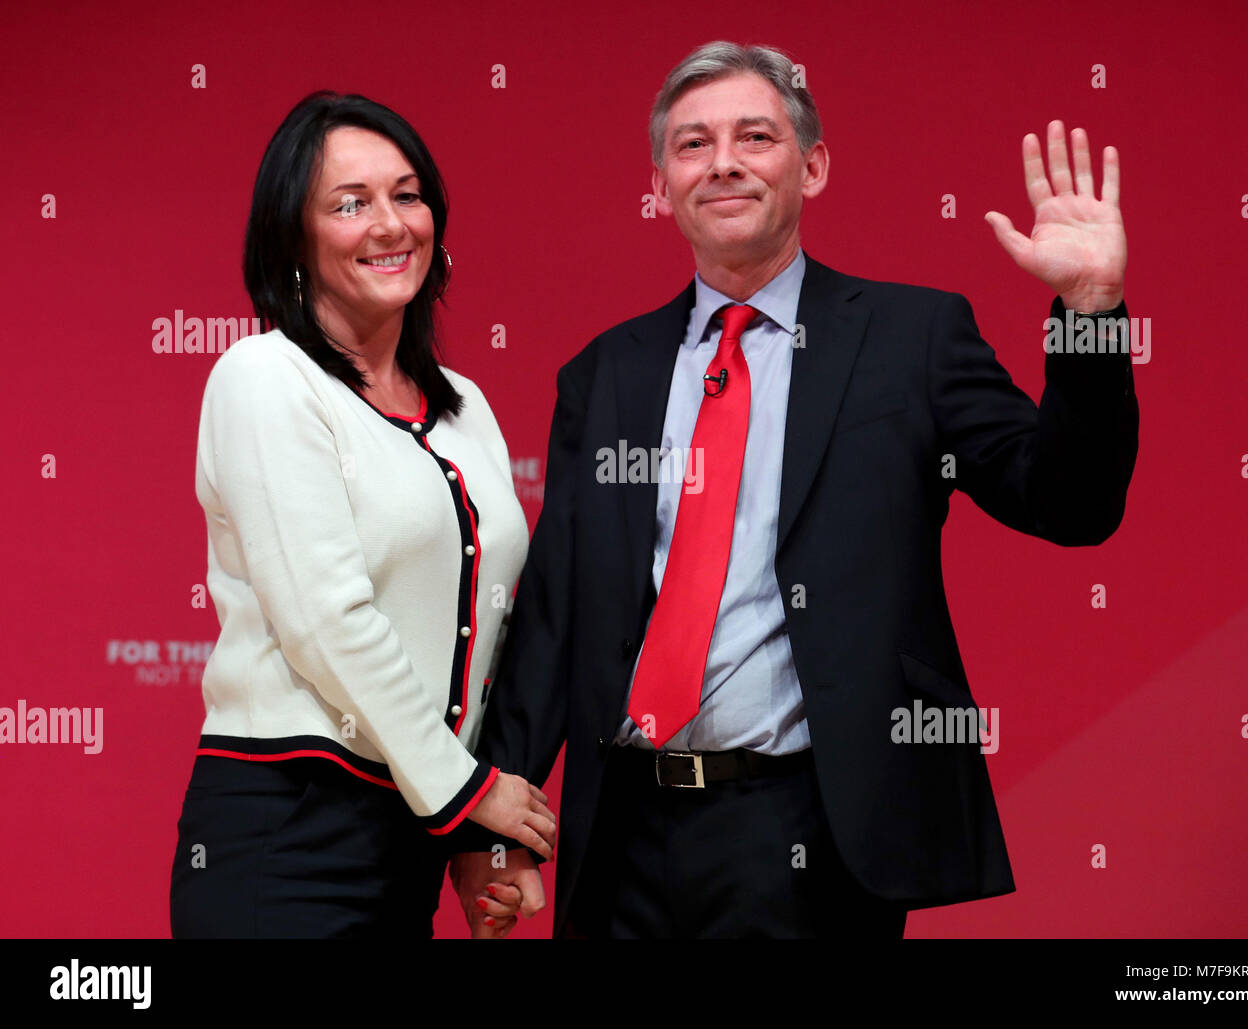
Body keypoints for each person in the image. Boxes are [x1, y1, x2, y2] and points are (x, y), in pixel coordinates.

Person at [448, 41, 1138, 939]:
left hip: (810, 832)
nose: (723, 161)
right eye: (693, 144)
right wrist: (492, 820)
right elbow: (554, 612)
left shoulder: (910, 337)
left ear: (811, 166)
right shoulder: (606, 373)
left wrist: (1090, 313)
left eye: (754, 137)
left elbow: (1072, 502)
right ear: (661, 182)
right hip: (622, 835)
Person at [169, 91, 555, 938]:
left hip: (408, 834)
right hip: (288, 829)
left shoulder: (466, 408)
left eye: (407, 194)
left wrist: (462, 835)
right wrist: (467, 796)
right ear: (294, 237)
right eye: (350, 203)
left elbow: (491, 633)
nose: (390, 224)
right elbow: (326, 620)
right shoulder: (263, 376)